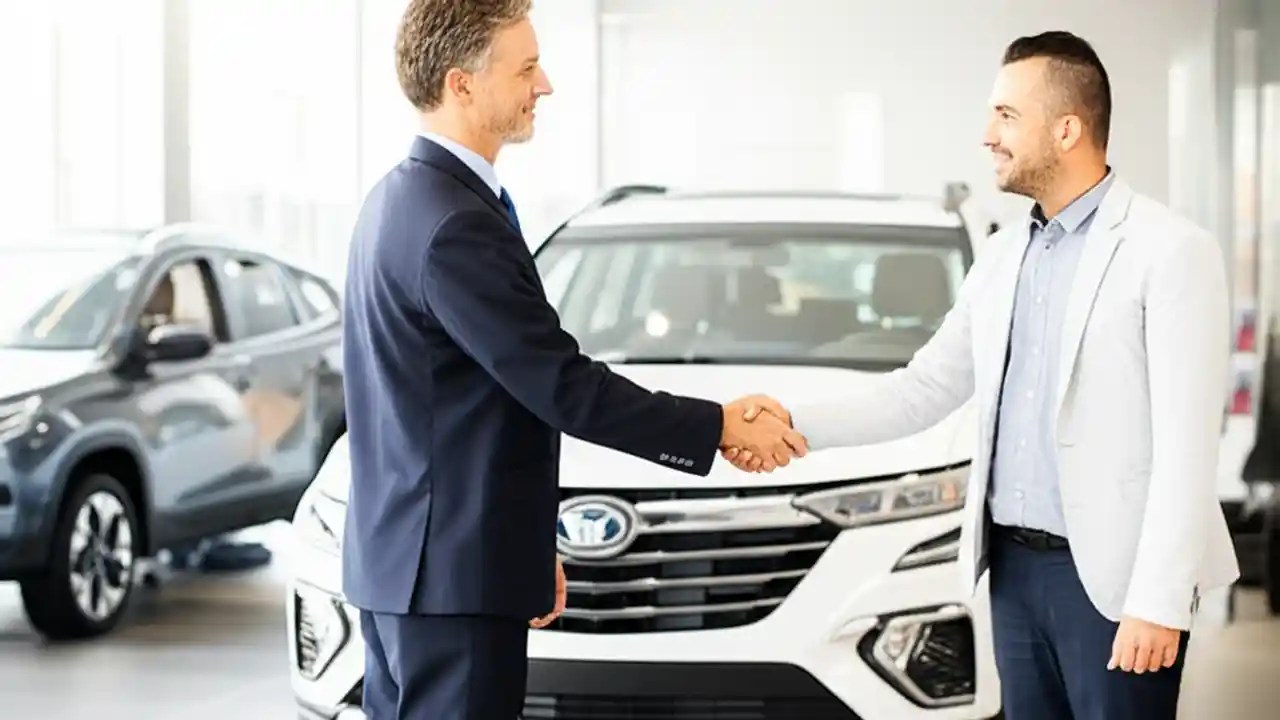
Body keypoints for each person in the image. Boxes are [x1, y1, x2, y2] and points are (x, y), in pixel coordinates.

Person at [726, 31, 1238, 720]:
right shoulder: (1001, 257)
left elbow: (1187, 450)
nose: (986, 135)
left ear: (1066, 128)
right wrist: (792, 423)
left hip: (1114, 584)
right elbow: (922, 390)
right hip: (1012, 574)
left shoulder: (1170, 252)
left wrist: (1159, 600)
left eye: (1005, 115)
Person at [340, 2, 807, 718]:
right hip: (449, 587)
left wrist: (523, 547)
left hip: (411, 570)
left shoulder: (398, 199)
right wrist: (716, 426)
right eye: (526, 68)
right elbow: (557, 383)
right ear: (462, 83)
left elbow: (451, 405)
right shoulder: (455, 221)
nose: (546, 84)